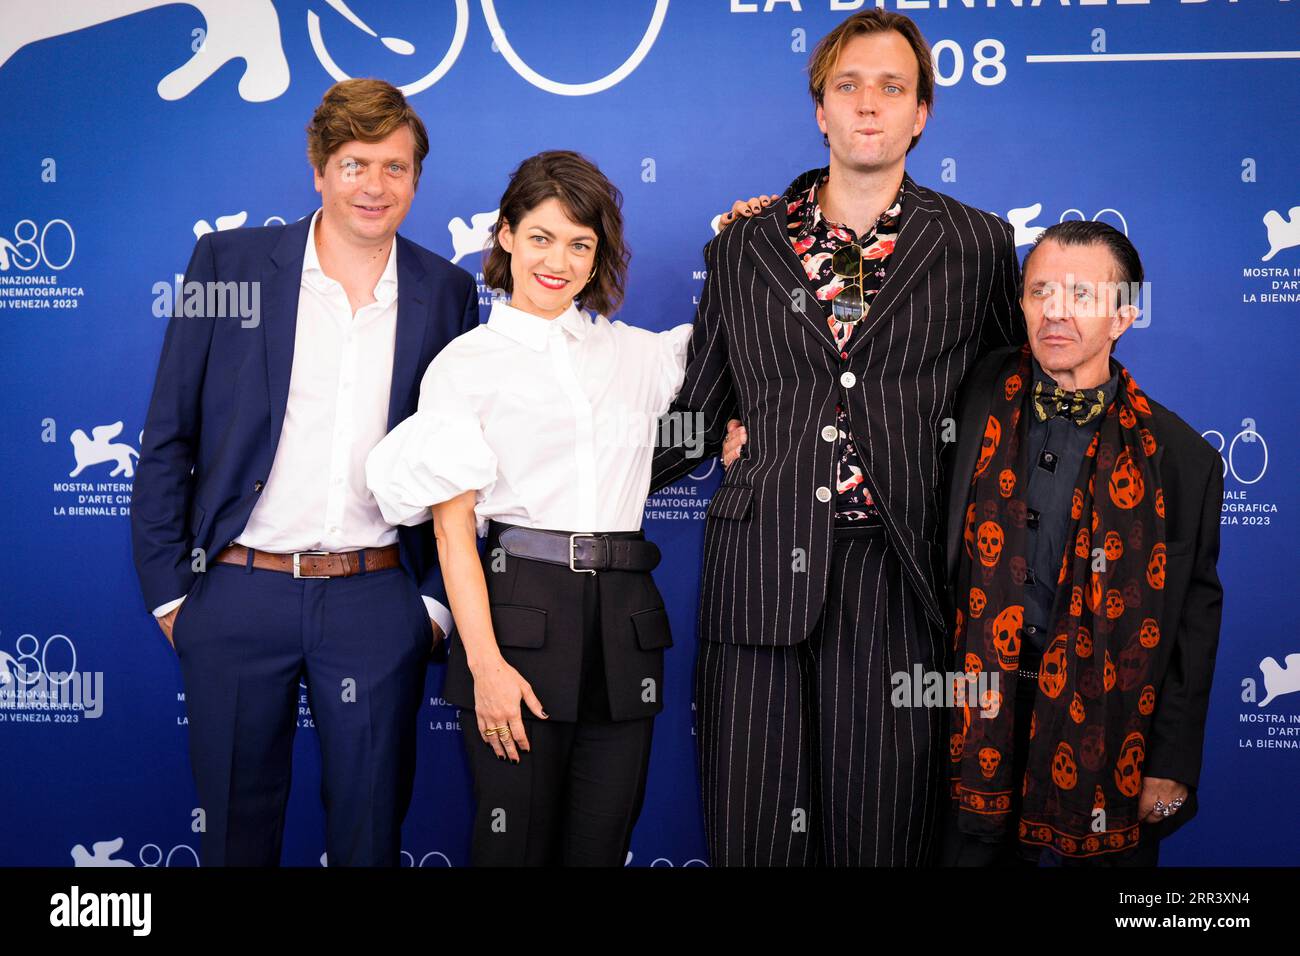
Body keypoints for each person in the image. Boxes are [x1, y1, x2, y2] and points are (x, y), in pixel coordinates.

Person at [651, 9, 1023, 867]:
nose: (868, 105)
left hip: (903, 581)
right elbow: (697, 412)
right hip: (757, 577)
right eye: (848, 85)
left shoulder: (976, 243)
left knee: (882, 836)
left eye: (891, 88)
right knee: (752, 835)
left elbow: (1007, 407)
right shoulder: (745, 246)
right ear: (820, 108)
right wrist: (574, 466)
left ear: (921, 113)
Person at [130, 79, 479, 866]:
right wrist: (174, 595)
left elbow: (461, 455)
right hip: (237, 595)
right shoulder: (232, 263)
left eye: (395, 168)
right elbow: (168, 436)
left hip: (375, 601)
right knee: (235, 835)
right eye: (355, 164)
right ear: (320, 170)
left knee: (368, 835)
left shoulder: (448, 292)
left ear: (416, 180)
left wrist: (427, 607)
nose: (375, 186)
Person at [366, 150, 693, 867]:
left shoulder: (640, 355)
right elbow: (454, 538)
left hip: (626, 625)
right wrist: (484, 666)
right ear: (505, 235)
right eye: (541, 237)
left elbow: (745, 349)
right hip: (517, 620)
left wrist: (747, 237)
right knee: (510, 848)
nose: (560, 260)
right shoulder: (465, 365)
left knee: (602, 847)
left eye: (580, 244)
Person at [938, 220, 1223, 866]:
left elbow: (1193, 626)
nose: (1055, 312)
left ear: (1124, 318)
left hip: (1103, 729)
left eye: (1080, 295)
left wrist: (1171, 763)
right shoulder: (971, 395)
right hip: (970, 715)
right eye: (1039, 292)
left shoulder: (1181, 461)